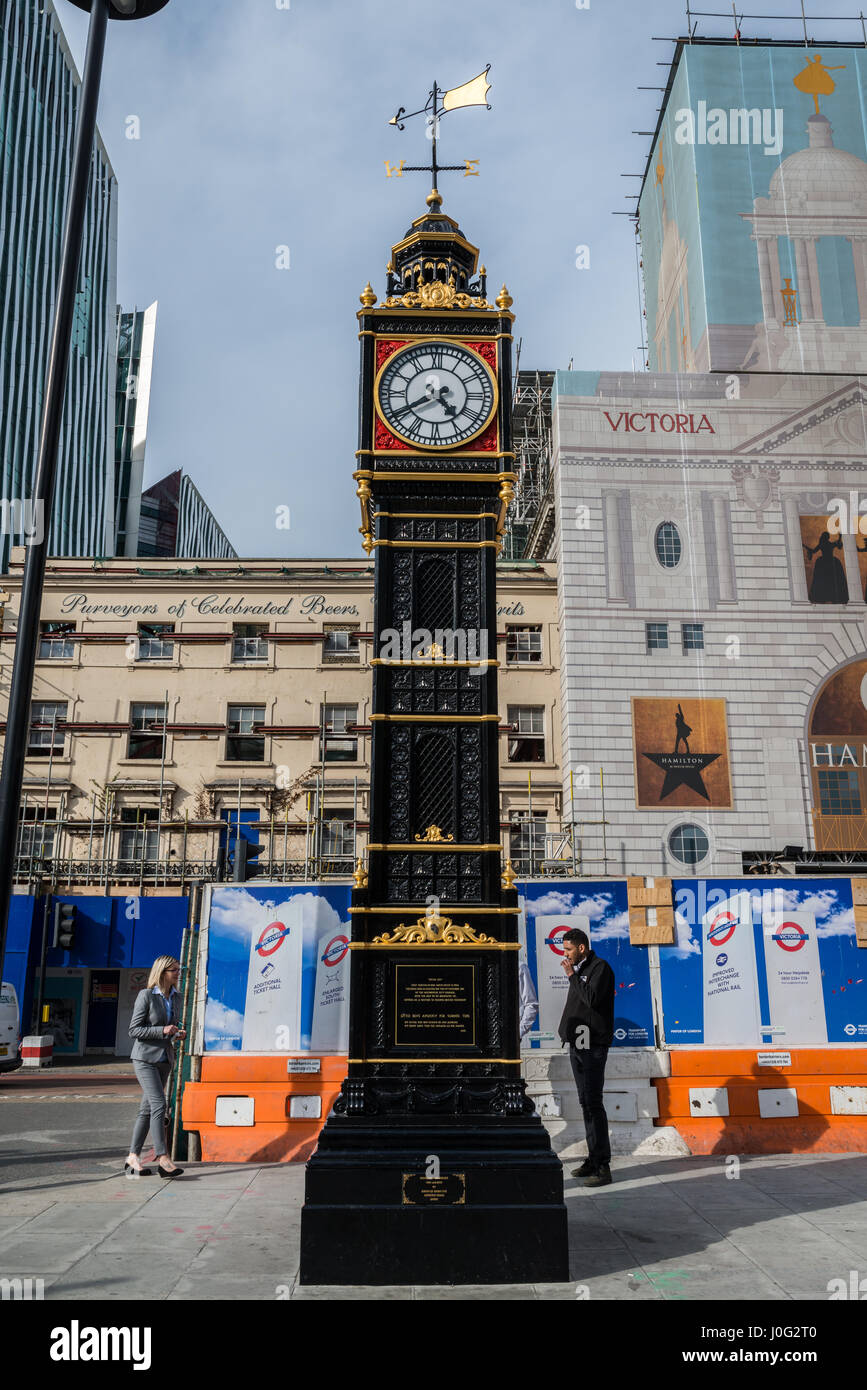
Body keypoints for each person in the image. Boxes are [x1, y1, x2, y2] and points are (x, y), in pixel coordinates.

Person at [557, 928, 615, 1187]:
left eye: (568, 949)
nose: (565, 954)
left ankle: (602, 1166)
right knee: (585, 1103)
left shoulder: (600, 968)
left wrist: (571, 975)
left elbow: (590, 999)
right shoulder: (580, 971)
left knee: (593, 1103)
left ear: (581, 948)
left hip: (593, 1046)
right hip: (577, 1044)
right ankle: (593, 1159)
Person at [125, 955, 186, 1178]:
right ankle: (163, 1157)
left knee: (147, 1110)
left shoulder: (176, 997)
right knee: (160, 1105)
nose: (178, 973)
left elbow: (171, 1027)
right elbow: (134, 1030)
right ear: (162, 972)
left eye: (178, 969)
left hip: (164, 1059)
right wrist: (162, 1030)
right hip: (144, 1059)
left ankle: (133, 1157)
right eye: (174, 970)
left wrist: (177, 1033)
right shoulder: (146, 995)